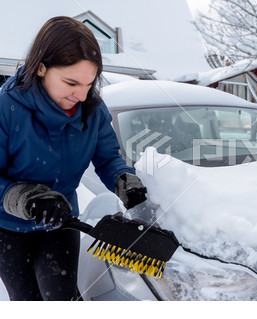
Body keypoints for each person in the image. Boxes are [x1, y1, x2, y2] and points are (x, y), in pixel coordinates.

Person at [0, 16, 147, 301]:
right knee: (27, 301)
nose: (81, 95)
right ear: (41, 67)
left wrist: (123, 179)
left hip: (61, 222)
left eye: (88, 84)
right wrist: (26, 197)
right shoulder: (6, 108)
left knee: (64, 299)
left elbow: (108, 158)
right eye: (71, 82)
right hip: (9, 229)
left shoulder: (93, 109)